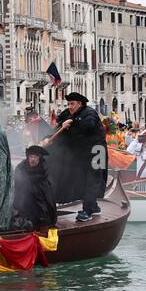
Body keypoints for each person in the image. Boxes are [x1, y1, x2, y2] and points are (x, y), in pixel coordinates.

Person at [46, 91, 108, 222]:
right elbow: (59, 125)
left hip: (97, 151)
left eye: (72, 104)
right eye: (68, 104)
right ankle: (93, 205)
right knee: (80, 177)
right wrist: (47, 139)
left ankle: (88, 210)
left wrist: (72, 122)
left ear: (80, 104)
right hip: (82, 152)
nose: (69, 106)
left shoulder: (90, 113)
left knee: (93, 179)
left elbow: (88, 126)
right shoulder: (68, 113)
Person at [10, 145, 56, 231]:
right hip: (25, 199)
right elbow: (17, 184)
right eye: (31, 157)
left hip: (40, 199)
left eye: (35, 157)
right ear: (28, 157)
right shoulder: (21, 167)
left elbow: (47, 188)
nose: (33, 159)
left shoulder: (44, 168)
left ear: (39, 158)